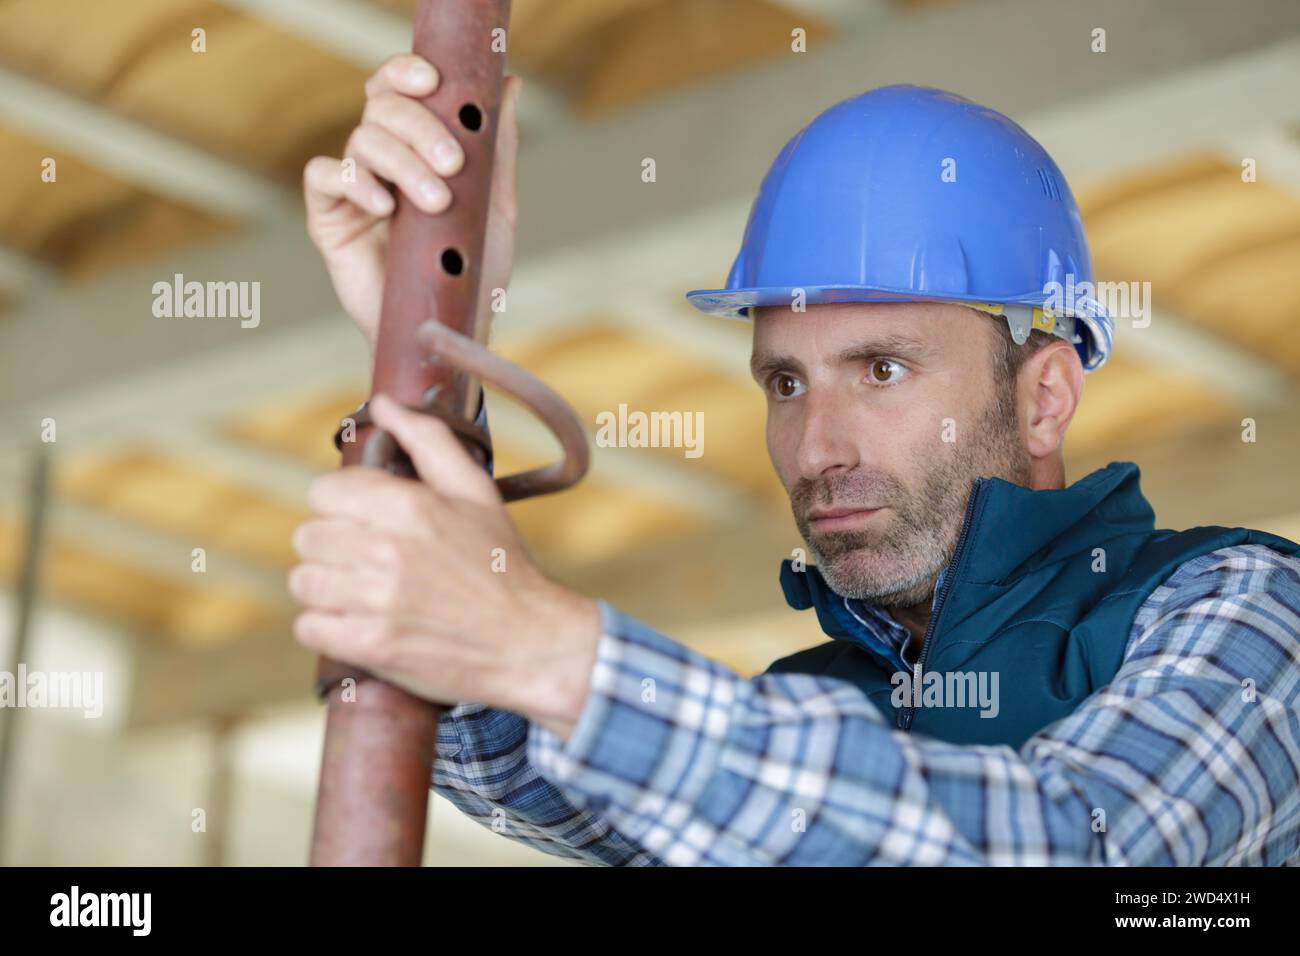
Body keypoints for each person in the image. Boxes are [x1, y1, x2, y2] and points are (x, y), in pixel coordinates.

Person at [290, 54, 1300, 865]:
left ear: (1042, 397)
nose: (816, 447)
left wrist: (552, 650)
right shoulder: (805, 700)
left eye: (883, 368)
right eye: (783, 383)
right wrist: (429, 342)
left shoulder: (1238, 609)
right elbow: (510, 762)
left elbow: (1075, 841)